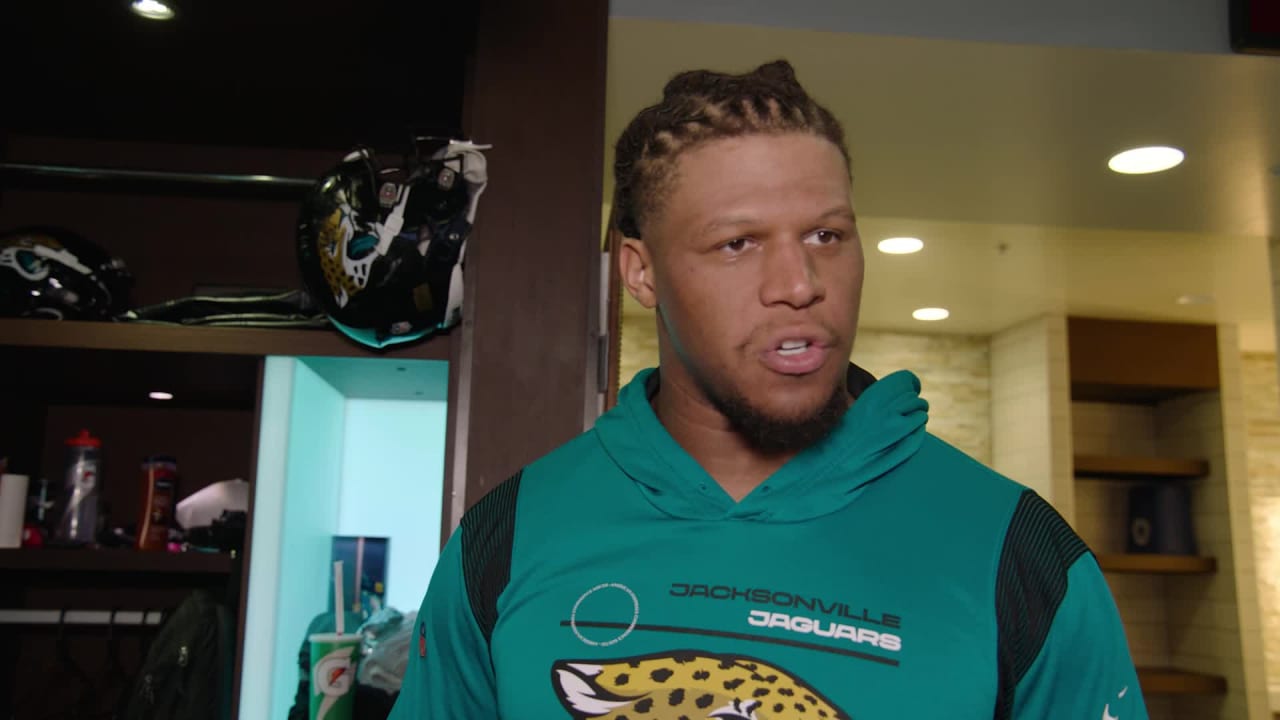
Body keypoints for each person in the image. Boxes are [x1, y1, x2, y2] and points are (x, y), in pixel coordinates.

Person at [390, 60, 1148, 719]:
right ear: (640, 271)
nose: (799, 285)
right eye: (737, 243)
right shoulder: (508, 539)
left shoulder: (1021, 556)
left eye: (827, 235)